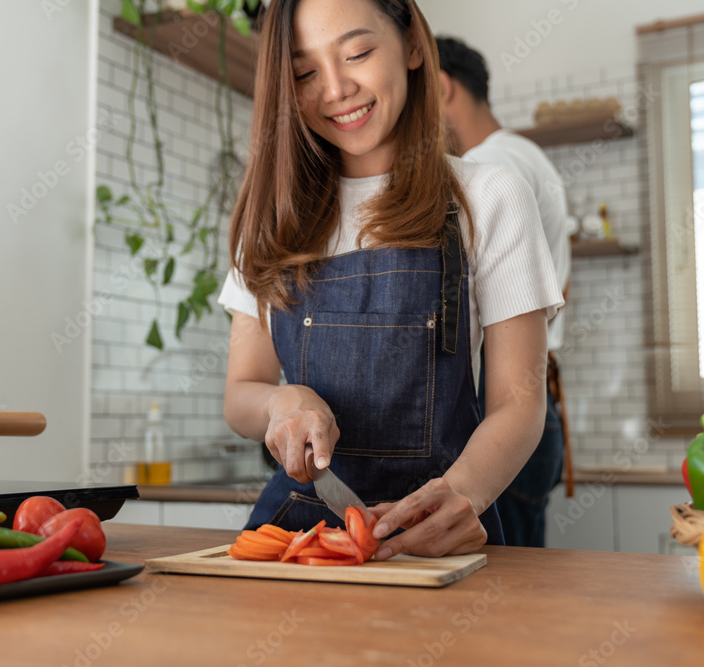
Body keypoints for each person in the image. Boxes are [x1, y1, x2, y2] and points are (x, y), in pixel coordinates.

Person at [218, 0, 563, 559]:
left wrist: (462, 493)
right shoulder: (269, 217)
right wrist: (283, 402)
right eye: (305, 73)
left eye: (356, 53)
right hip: (299, 543)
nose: (334, 89)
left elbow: (519, 403)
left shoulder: (488, 196)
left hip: (438, 536)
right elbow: (241, 392)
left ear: (411, 47)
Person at [436, 36, 571, 548]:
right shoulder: (530, 157)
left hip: (504, 416)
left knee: (500, 593)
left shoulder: (491, 172)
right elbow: (560, 290)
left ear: (441, 87)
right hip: (536, 403)